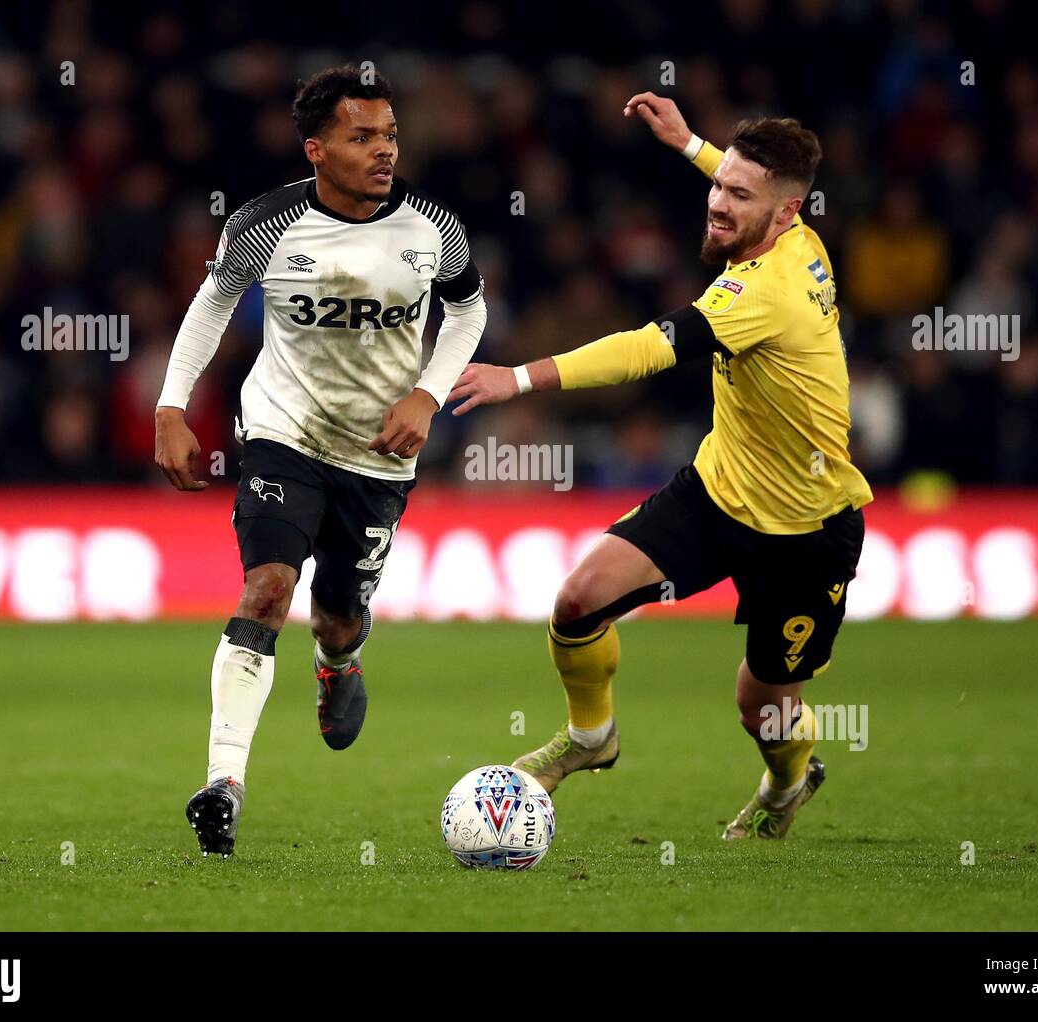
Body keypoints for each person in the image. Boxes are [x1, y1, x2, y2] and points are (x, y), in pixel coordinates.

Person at [449, 93, 870, 840]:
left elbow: (646, 347)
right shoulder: (798, 235)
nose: (718, 203)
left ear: (784, 212)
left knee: (761, 704)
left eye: (738, 197)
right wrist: (692, 145)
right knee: (579, 602)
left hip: (810, 530)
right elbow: (742, 180)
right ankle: (590, 739)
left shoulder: (764, 293)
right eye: (719, 186)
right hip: (717, 492)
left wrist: (515, 378)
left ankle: (787, 780)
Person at [155, 64, 486, 857]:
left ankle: (339, 662)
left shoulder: (435, 231)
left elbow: (470, 312)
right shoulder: (264, 225)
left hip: (378, 454)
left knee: (337, 616)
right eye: (362, 136)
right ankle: (223, 783)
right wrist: (170, 405)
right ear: (316, 149)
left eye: (391, 135)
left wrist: (429, 396)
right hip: (283, 429)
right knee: (267, 589)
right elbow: (213, 303)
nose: (384, 151)